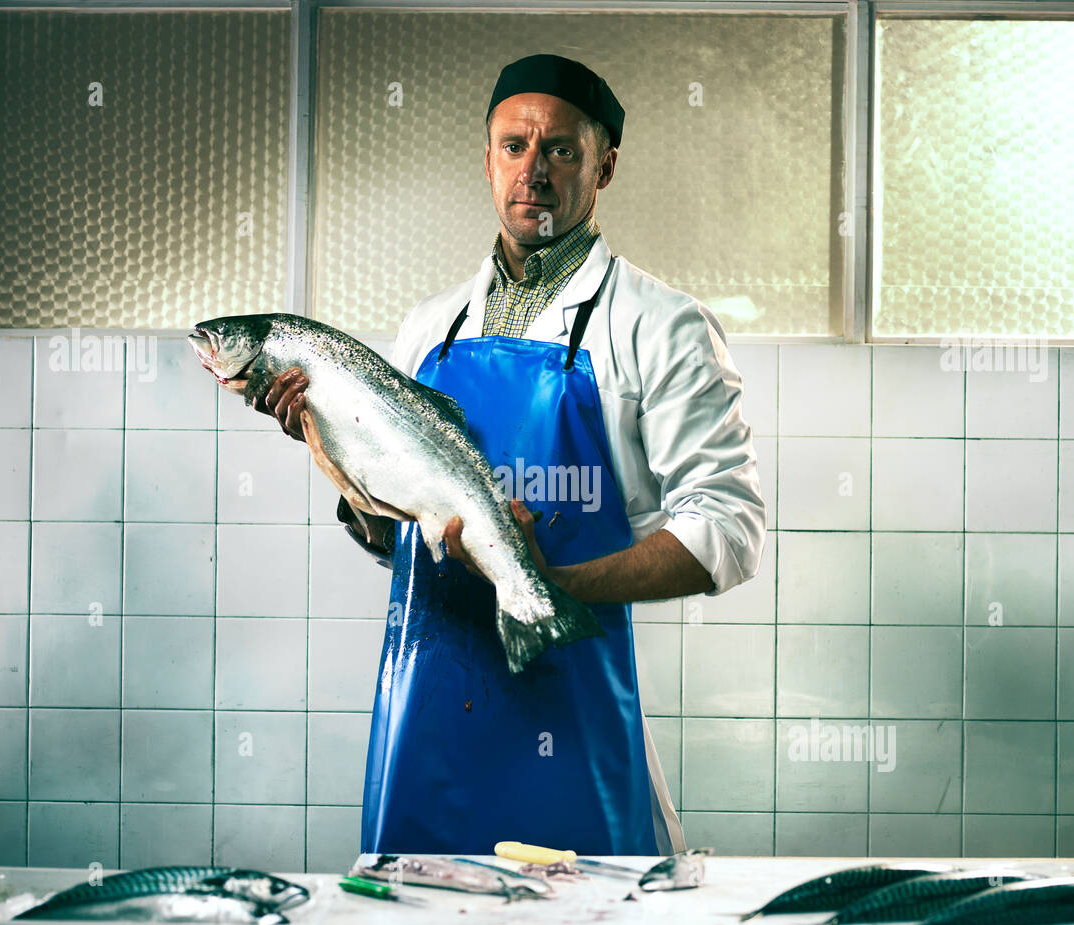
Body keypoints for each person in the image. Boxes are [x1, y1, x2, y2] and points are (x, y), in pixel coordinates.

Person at [258, 54, 767, 857]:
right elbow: (403, 536)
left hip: (575, 712)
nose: (533, 170)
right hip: (427, 720)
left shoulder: (659, 325)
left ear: (605, 165)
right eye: (513, 146)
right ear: (488, 157)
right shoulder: (430, 330)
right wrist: (338, 464)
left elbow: (730, 530)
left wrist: (548, 585)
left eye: (561, 149)